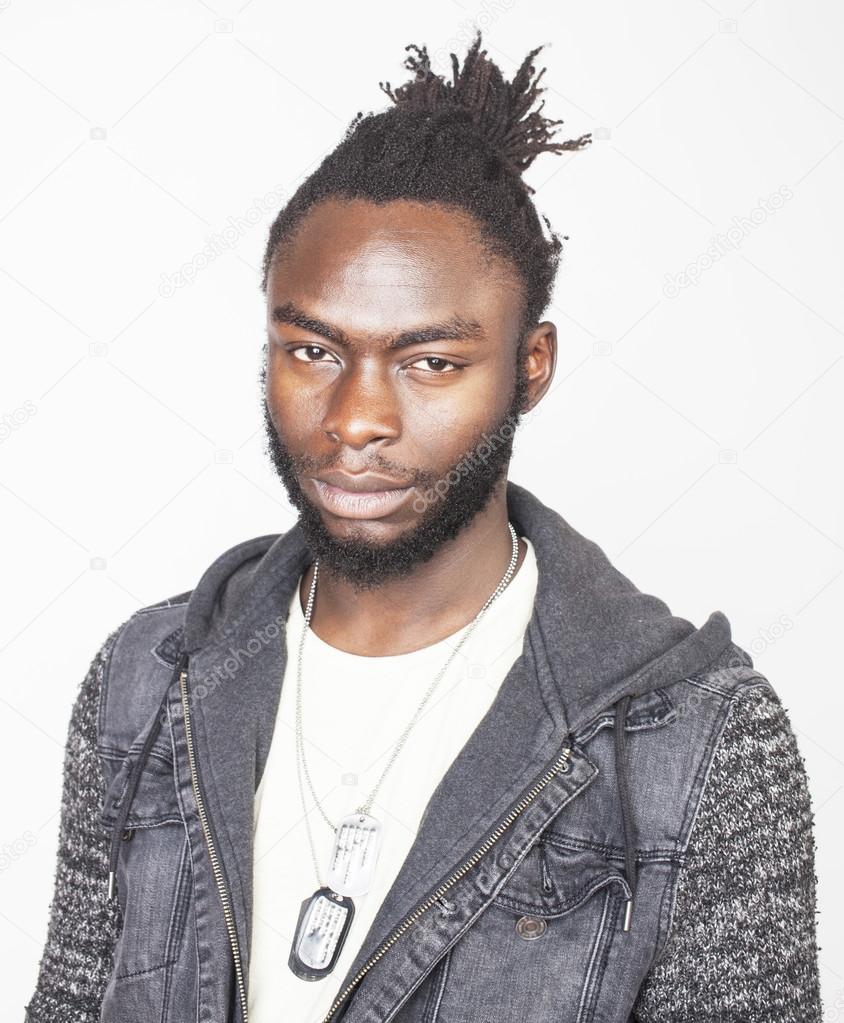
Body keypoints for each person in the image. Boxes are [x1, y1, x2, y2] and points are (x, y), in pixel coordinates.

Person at [24, 29, 821, 1023]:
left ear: (531, 365)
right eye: (314, 350)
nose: (356, 418)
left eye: (430, 363)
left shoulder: (691, 738)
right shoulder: (148, 680)